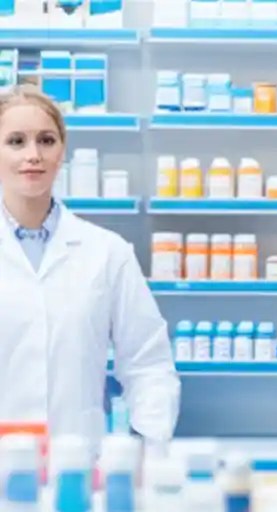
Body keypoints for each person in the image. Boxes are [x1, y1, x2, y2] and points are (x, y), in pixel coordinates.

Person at [0, 85, 180, 448]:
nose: (33, 155)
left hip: (79, 463)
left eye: (46, 141)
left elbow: (148, 364)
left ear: (62, 151)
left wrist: (146, 445)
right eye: (16, 141)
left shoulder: (107, 252)